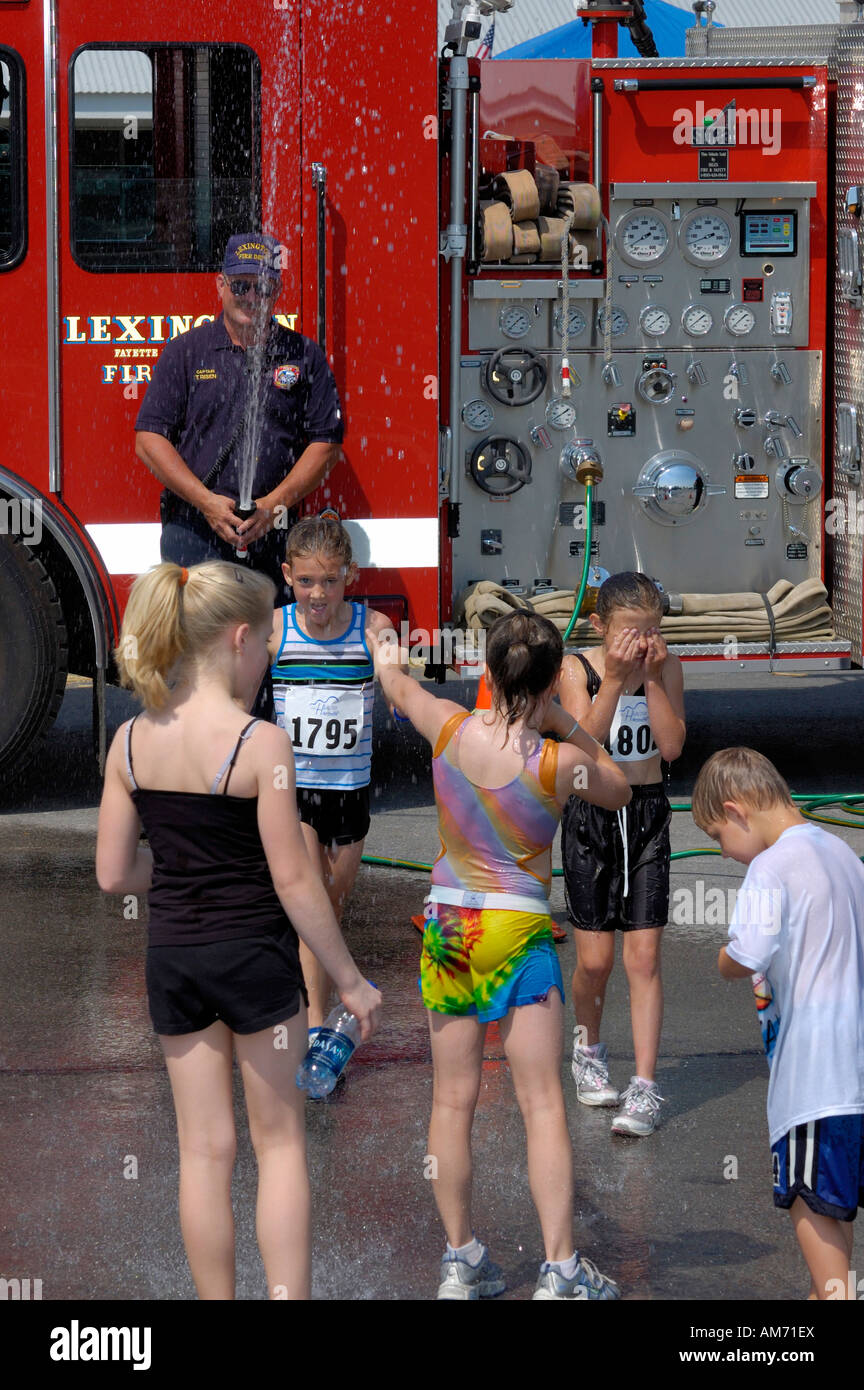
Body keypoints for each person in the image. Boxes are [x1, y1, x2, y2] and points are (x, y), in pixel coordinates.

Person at [95, 560, 381, 1300]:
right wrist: (348, 981)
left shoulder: (128, 743)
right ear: (240, 639)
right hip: (254, 961)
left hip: (175, 962)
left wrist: (184, 874)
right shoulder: (260, 746)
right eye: (266, 652)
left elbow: (113, 874)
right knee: (279, 1145)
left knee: (203, 1151)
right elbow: (294, 881)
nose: (267, 665)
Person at [371, 611, 631, 1300]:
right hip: (519, 930)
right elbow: (620, 787)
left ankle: (460, 1260)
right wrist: (563, 722)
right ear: (550, 684)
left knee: (451, 1103)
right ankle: (561, 1270)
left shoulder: (447, 728)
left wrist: (386, 645)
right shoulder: (559, 763)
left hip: (451, 927)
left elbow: (394, 683)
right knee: (542, 1104)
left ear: (485, 674)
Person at [692, 747, 864, 1300]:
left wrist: (722, 957)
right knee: (836, 1207)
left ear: (737, 809)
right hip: (856, 1072)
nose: (722, 853)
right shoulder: (844, 853)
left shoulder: (770, 867)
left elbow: (746, 954)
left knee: (808, 1200)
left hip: (815, 1079)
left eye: (718, 835)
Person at [134, 232, 343, 598]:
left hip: (274, 531)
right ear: (221, 284)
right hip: (196, 529)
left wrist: (272, 505)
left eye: (262, 287)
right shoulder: (186, 352)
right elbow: (148, 441)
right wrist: (206, 502)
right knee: (201, 642)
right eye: (241, 285)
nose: (251, 297)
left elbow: (326, 444)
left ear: (277, 290)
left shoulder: (304, 355)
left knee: (269, 639)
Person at [557, 572, 685, 1136]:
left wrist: (653, 680)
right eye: (629, 634)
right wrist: (612, 678)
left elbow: (674, 746)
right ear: (599, 627)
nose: (641, 645)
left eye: (651, 632)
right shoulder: (575, 669)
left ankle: (646, 1086)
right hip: (592, 816)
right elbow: (581, 744)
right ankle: (587, 1051)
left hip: (649, 813)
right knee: (595, 961)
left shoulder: (667, 667)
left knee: (643, 959)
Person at [269, 517, 402, 1034]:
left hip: (350, 793)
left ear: (350, 574)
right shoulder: (277, 629)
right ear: (287, 575)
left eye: (329, 580)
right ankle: (315, 1027)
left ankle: (312, 999)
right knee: (314, 909)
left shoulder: (372, 629)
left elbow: (395, 676)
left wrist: (397, 687)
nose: (318, 593)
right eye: (305, 581)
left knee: (332, 908)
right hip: (295, 792)